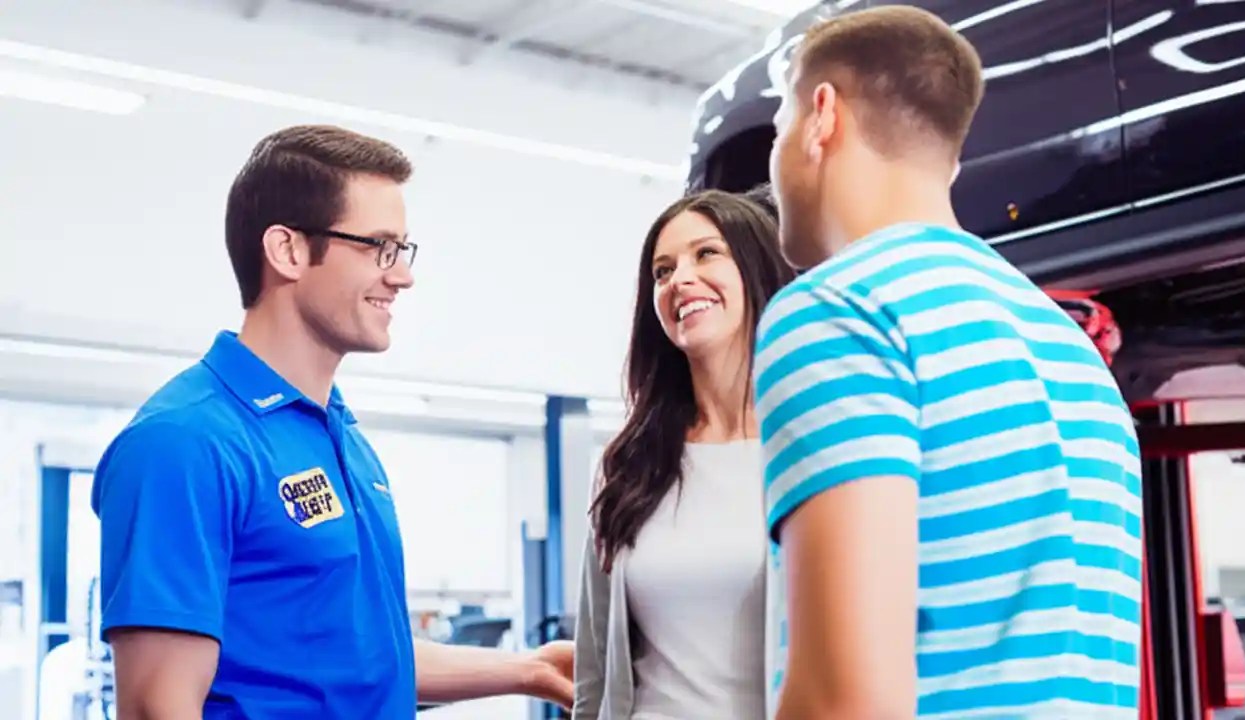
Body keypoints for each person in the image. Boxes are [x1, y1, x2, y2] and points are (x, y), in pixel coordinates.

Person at [90, 124, 573, 720]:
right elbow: (155, 707)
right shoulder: (184, 443)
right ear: (288, 250)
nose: (402, 275)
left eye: (402, 250)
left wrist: (531, 669)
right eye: (379, 247)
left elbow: (363, 657)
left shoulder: (340, 435)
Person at [757, 7, 1143, 720]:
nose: (772, 164)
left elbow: (847, 703)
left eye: (776, 130)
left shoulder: (842, 311)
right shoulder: (1071, 352)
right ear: (952, 159)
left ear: (821, 116)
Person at [573, 189, 795, 719]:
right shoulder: (626, 463)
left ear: (756, 265)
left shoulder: (807, 447)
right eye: (662, 270)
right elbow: (595, 671)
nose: (680, 280)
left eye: (707, 253)